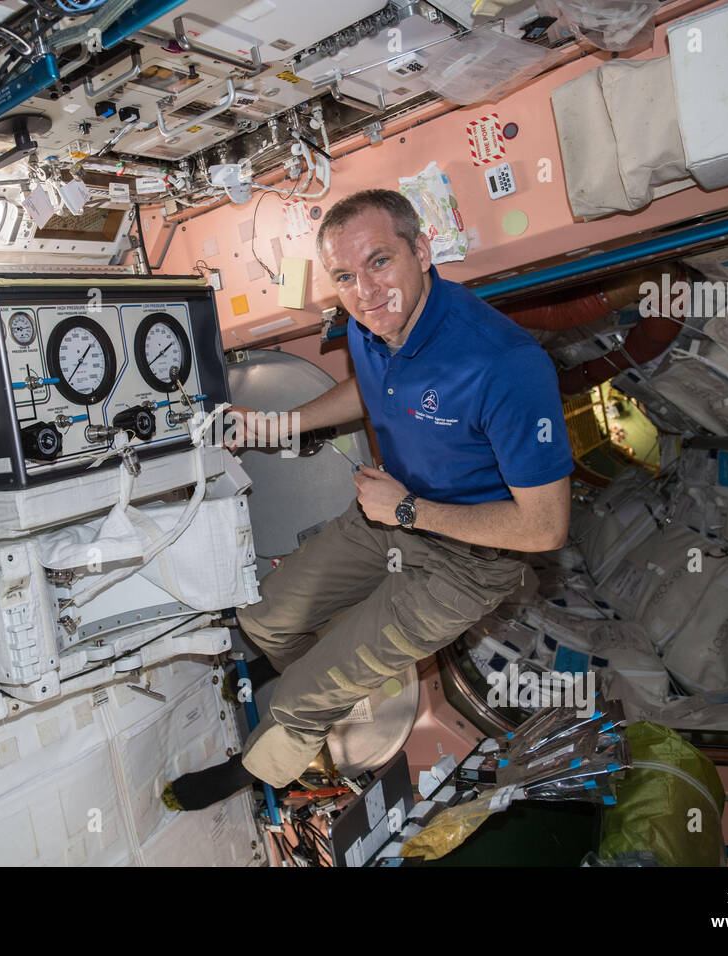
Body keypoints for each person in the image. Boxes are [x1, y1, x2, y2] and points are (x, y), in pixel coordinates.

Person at [163, 188, 574, 812]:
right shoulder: (368, 324)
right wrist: (279, 425)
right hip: (389, 517)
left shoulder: (505, 364)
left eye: (380, 262)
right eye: (345, 277)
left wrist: (410, 511)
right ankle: (324, 695)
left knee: (303, 695)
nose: (366, 291)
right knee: (264, 616)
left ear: (422, 250)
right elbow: (372, 391)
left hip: (470, 560)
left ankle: (261, 763)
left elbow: (545, 528)